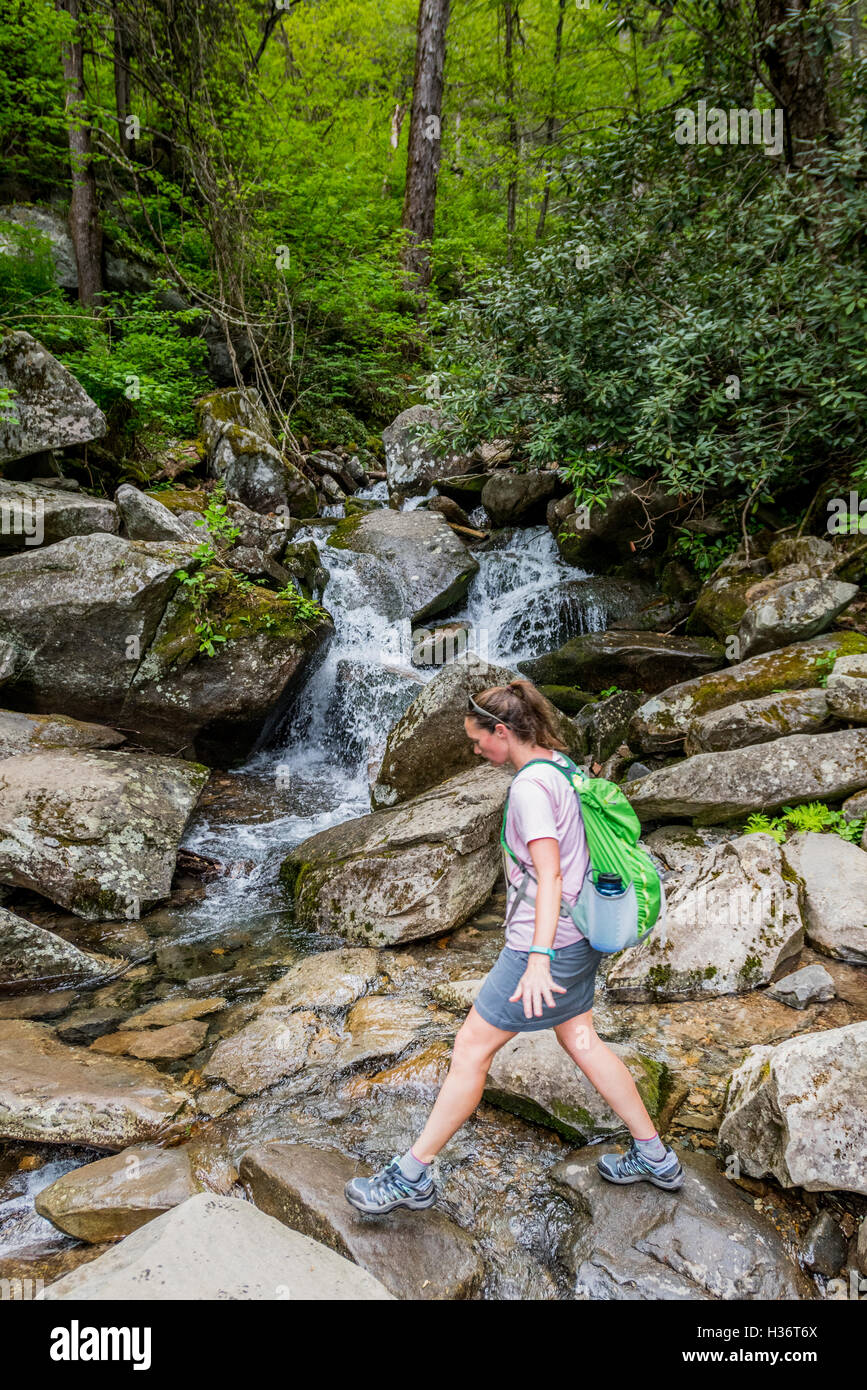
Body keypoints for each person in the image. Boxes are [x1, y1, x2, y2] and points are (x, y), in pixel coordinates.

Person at [344, 679, 683, 1215]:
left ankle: (412, 1174)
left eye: (479, 740)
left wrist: (537, 961)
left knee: (471, 1049)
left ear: (502, 731)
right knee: (580, 1038)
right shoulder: (563, 766)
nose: (477, 750)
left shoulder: (529, 788)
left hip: (545, 944)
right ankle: (655, 1155)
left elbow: (549, 876)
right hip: (581, 932)